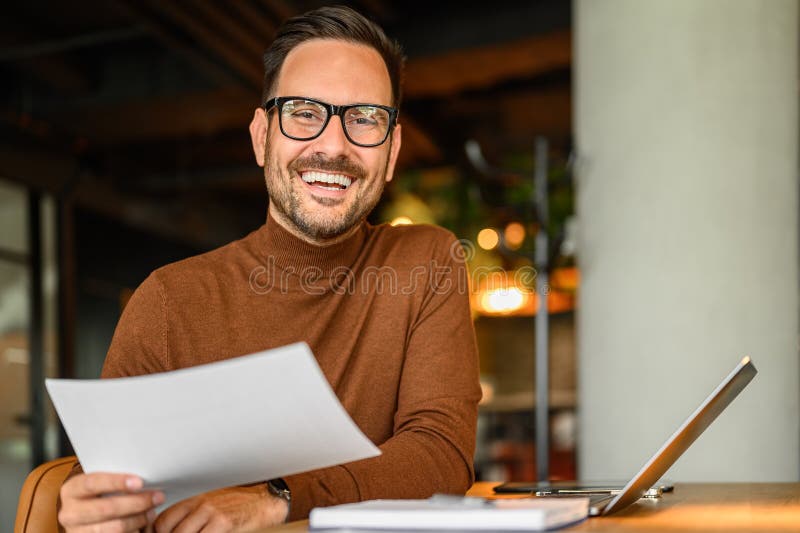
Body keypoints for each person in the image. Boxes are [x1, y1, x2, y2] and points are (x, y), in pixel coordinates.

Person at [57, 5, 480, 532]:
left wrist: (277, 499)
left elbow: (440, 452)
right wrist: (95, 511)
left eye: (365, 119)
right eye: (304, 112)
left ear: (391, 152)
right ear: (262, 136)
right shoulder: (169, 300)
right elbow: (108, 486)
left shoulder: (425, 262)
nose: (333, 145)